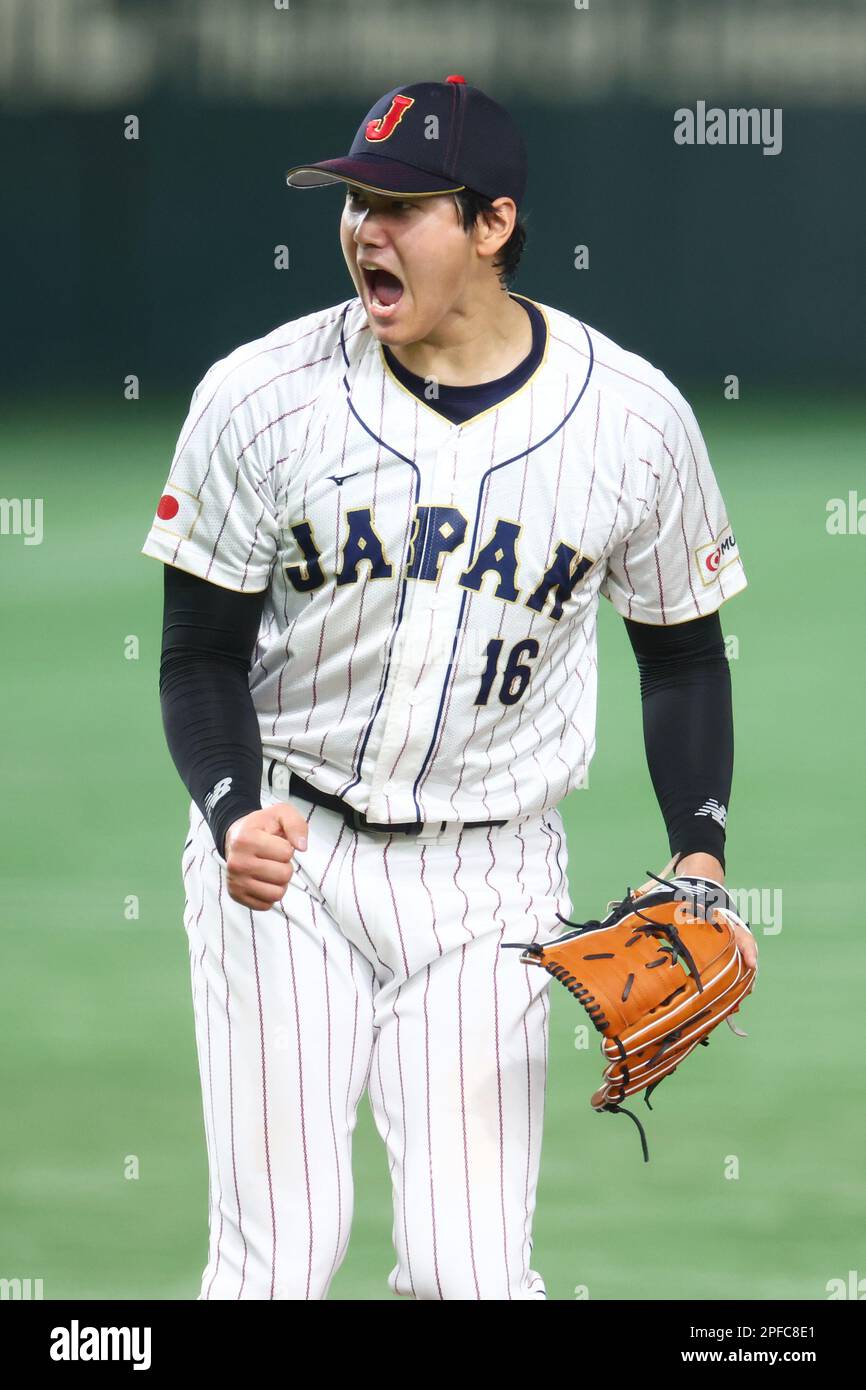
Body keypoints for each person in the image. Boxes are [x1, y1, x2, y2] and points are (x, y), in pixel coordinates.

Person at [142, 75, 756, 1301]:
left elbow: (681, 653)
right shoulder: (260, 398)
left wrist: (698, 853)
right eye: (355, 201)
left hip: (492, 881)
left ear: (491, 225)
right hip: (289, 852)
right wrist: (225, 815)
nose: (365, 227)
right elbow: (197, 651)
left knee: (470, 1273)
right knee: (279, 1260)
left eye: (402, 204)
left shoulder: (631, 420)